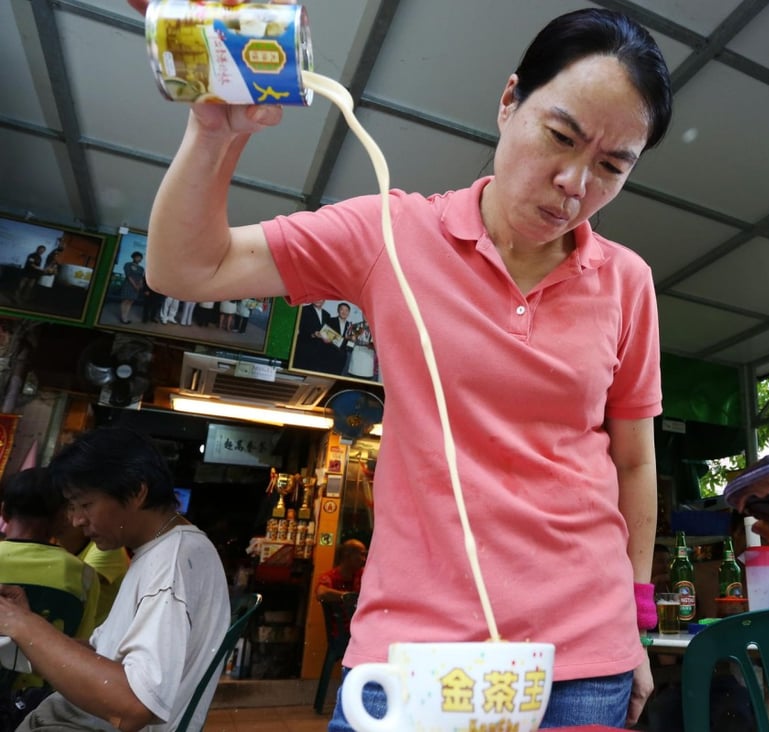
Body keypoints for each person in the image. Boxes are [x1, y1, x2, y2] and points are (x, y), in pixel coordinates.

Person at [143, 7, 671, 729]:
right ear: (509, 100)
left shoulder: (626, 281)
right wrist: (215, 133)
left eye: (613, 166)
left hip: (581, 662)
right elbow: (185, 268)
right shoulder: (390, 233)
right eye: (561, 136)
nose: (576, 183)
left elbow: (635, 464)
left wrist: (634, 621)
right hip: (415, 653)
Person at [0, 427, 230, 732]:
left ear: (137, 491)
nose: (76, 520)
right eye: (71, 506)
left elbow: (133, 705)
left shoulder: (171, 564)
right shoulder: (158, 551)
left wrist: (24, 625)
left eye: (85, 504)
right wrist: (28, 626)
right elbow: (102, 654)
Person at [0, 467, 101, 703]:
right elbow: (80, 647)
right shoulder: (82, 575)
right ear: (63, 519)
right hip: (37, 704)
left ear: (4, 512)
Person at [54, 518, 131, 629]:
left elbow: (73, 590)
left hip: (107, 639)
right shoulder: (51, 547)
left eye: (71, 507)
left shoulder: (106, 547)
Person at [315, 539, 366, 604]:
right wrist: (351, 597)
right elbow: (321, 593)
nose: (364, 559)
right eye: (362, 554)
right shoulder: (329, 576)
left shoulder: (363, 574)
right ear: (347, 555)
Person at [118, 251, 144, 325]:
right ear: (133, 257)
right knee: (125, 300)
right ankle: (123, 317)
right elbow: (128, 276)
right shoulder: (128, 264)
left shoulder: (141, 268)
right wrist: (135, 285)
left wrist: (140, 285)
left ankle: (126, 316)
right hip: (128, 285)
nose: (139, 259)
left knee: (131, 301)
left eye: (140, 258)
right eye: (137, 257)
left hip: (136, 287)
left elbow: (141, 278)